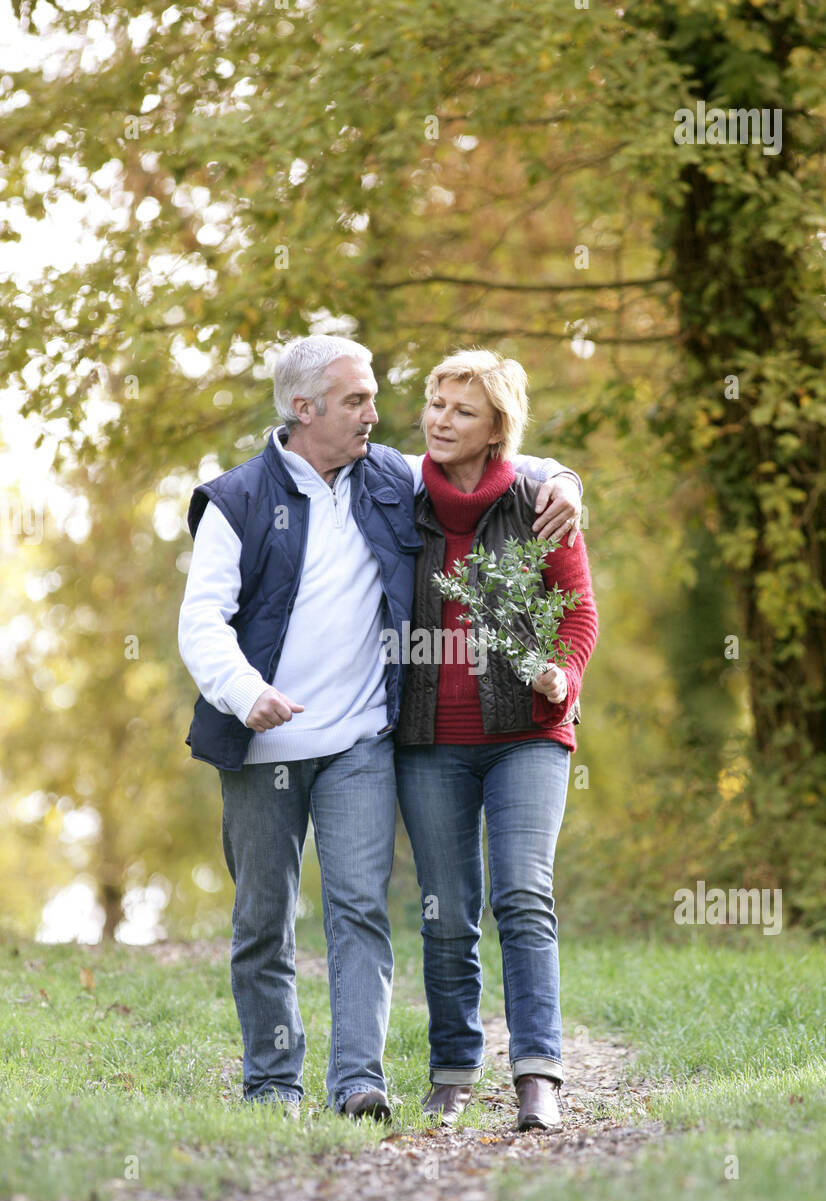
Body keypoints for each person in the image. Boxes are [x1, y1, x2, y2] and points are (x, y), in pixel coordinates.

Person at [177, 334, 583, 1121]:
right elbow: (202, 623)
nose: (379, 412)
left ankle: (358, 1082)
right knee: (264, 919)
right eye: (358, 400)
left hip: (362, 739)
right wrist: (243, 690)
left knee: (361, 909)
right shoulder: (235, 501)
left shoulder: (387, 478)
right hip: (263, 742)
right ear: (306, 409)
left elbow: (499, 472)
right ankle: (272, 1083)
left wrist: (566, 479)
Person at [394, 349, 599, 1131]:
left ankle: (538, 1070)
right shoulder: (398, 494)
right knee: (446, 910)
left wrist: (562, 672)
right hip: (428, 737)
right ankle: (452, 1070)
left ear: (496, 430)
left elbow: (579, 612)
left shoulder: (538, 501)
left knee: (523, 892)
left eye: (461, 411)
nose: (441, 420)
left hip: (528, 733)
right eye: (435, 403)